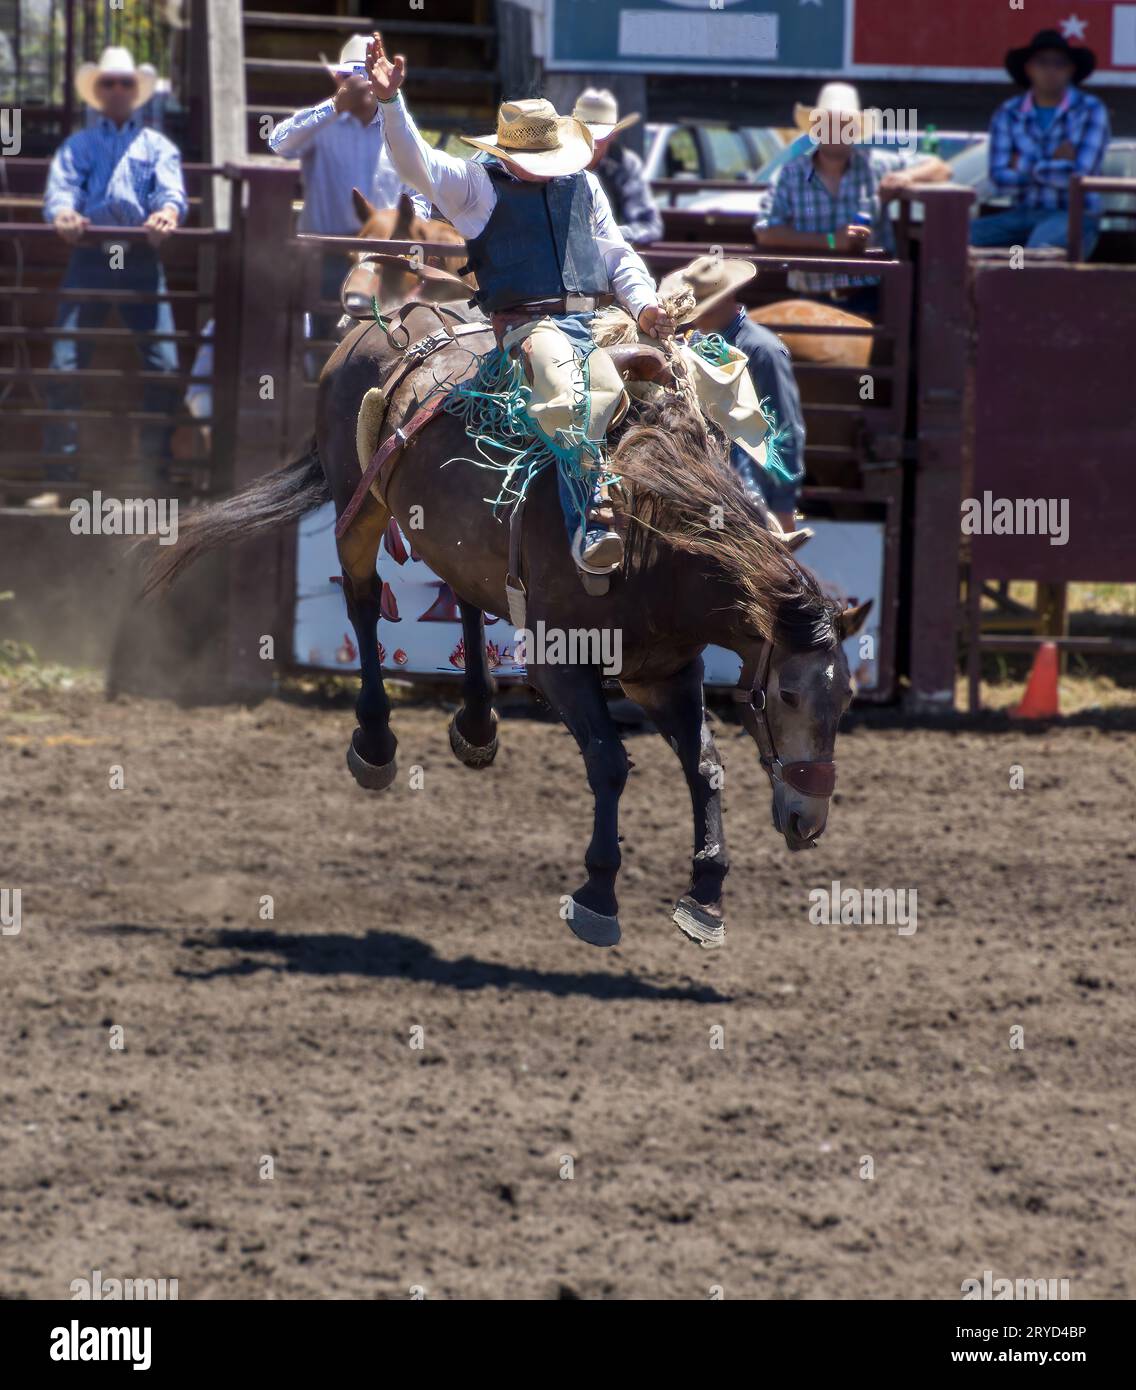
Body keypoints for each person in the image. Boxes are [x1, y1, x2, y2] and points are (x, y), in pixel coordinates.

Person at [366, 32, 675, 579]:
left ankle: (721, 514)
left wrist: (646, 305)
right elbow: (418, 167)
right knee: (568, 388)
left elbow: (615, 252)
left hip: (596, 320)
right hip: (528, 329)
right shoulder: (476, 187)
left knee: (686, 375)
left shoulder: (583, 186)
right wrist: (392, 103)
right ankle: (591, 523)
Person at [41, 46, 186, 481]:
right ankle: (60, 474)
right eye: (109, 83)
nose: (118, 89)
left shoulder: (157, 146)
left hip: (138, 255)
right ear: (99, 92)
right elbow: (61, 189)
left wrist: (169, 213)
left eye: (125, 82)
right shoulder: (80, 144)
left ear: (136, 91)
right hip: (90, 254)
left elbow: (170, 192)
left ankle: (150, 470)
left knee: (164, 366)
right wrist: (62, 214)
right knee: (64, 363)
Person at [267, 34, 430, 346]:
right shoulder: (321, 124)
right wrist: (333, 106)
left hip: (385, 257)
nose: (361, 85)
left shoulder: (398, 128)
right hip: (328, 254)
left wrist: (403, 226)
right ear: (338, 81)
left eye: (367, 76)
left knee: (386, 340)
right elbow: (279, 145)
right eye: (351, 77)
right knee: (323, 342)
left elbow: (419, 191)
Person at [755, 82, 949, 318]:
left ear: (856, 130)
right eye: (830, 123)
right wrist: (831, 241)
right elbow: (765, 231)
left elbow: (940, 167)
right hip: (812, 303)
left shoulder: (876, 165)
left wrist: (906, 176)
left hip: (869, 297)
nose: (837, 131)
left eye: (845, 125)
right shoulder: (790, 174)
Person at [659, 256, 805, 533]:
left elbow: (786, 430)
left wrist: (784, 508)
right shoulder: (693, 343)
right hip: (706, 484)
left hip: (746, 490)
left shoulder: (764, 350)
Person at [971, 29, 1108, 258]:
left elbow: (1079, 177)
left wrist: (1022, 164)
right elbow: (998, 178)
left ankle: (1025, 291)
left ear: (1071, 69)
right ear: (1028, 68)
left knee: (1041, 250)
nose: (1050, 70)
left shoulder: (1091, 110)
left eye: (1059, 64)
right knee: (955, 238)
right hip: (1022, 213)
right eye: (1042, 62)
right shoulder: (1008, 112)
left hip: (1074, 215)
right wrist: (1055, 163)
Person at [572, 88, 663, 245]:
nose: (592, 142)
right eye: (585, 133)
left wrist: (608, 235)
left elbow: (649, 224)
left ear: (613, 134)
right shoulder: (560, 161)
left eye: (598, 136)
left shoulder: (625, 165)